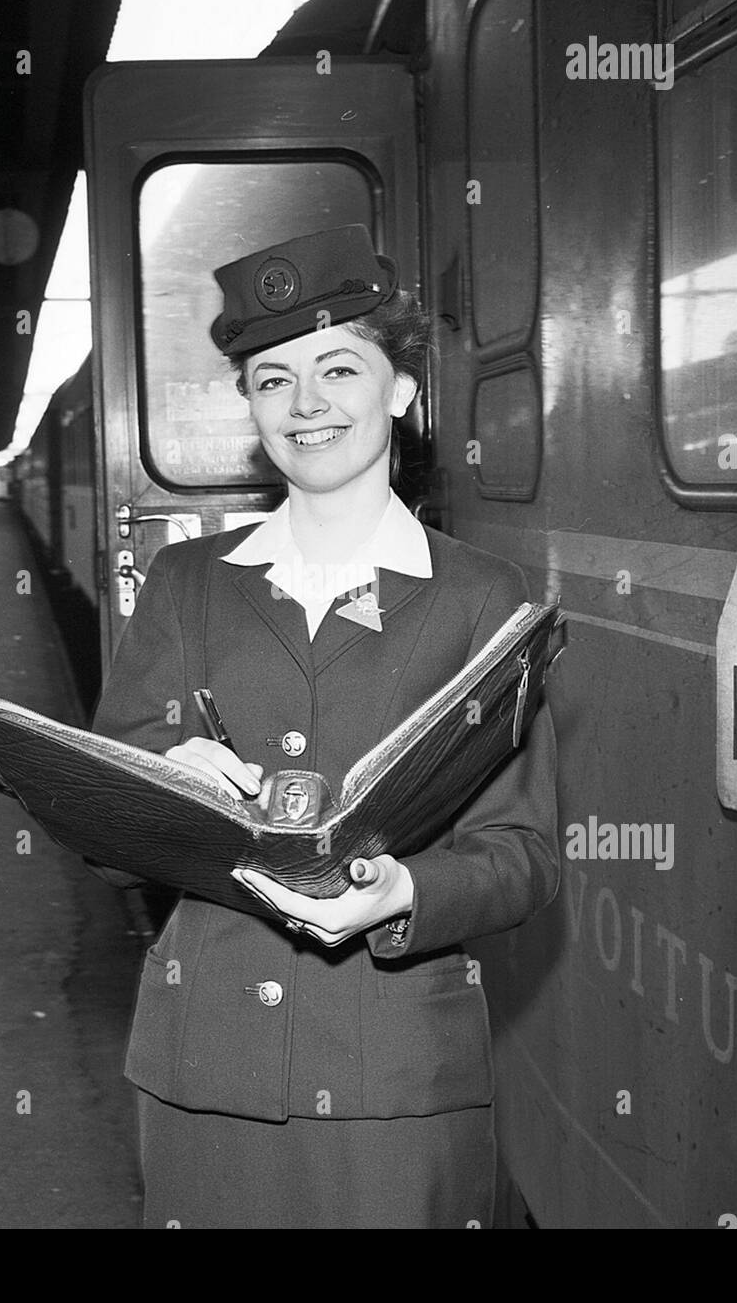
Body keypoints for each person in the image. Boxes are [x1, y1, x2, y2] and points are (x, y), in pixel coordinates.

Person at [89, 223, 559, 1228]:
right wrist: (164, 775)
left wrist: (402, 896)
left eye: (337, 369)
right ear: (249, 405)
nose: (305, 405)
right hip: (204, 1071)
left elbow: (521, 857)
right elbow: (103, 822)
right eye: (271, 379)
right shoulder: (184, 585)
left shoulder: (482, 598)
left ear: (398, 391)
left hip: (393, 1083)